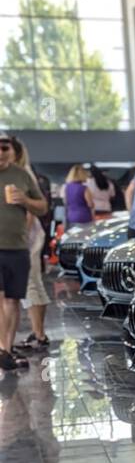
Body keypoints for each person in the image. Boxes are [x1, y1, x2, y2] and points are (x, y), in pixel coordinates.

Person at [0, 131, 49, 372]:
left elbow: (41, 207)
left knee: (13, 299)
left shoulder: (22, 175)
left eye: (4, 147)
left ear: (12, 150)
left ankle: (6, 351)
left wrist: (25, 202)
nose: (1, 152)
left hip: (17, 247)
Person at [14, 139, 50, 352]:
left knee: (31, 285)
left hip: (26, 237)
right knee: (32, 283)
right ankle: (38, 334)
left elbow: (29, 210)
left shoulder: (21, 173)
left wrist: (22, 236)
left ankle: (39, 335)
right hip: (25, 236)